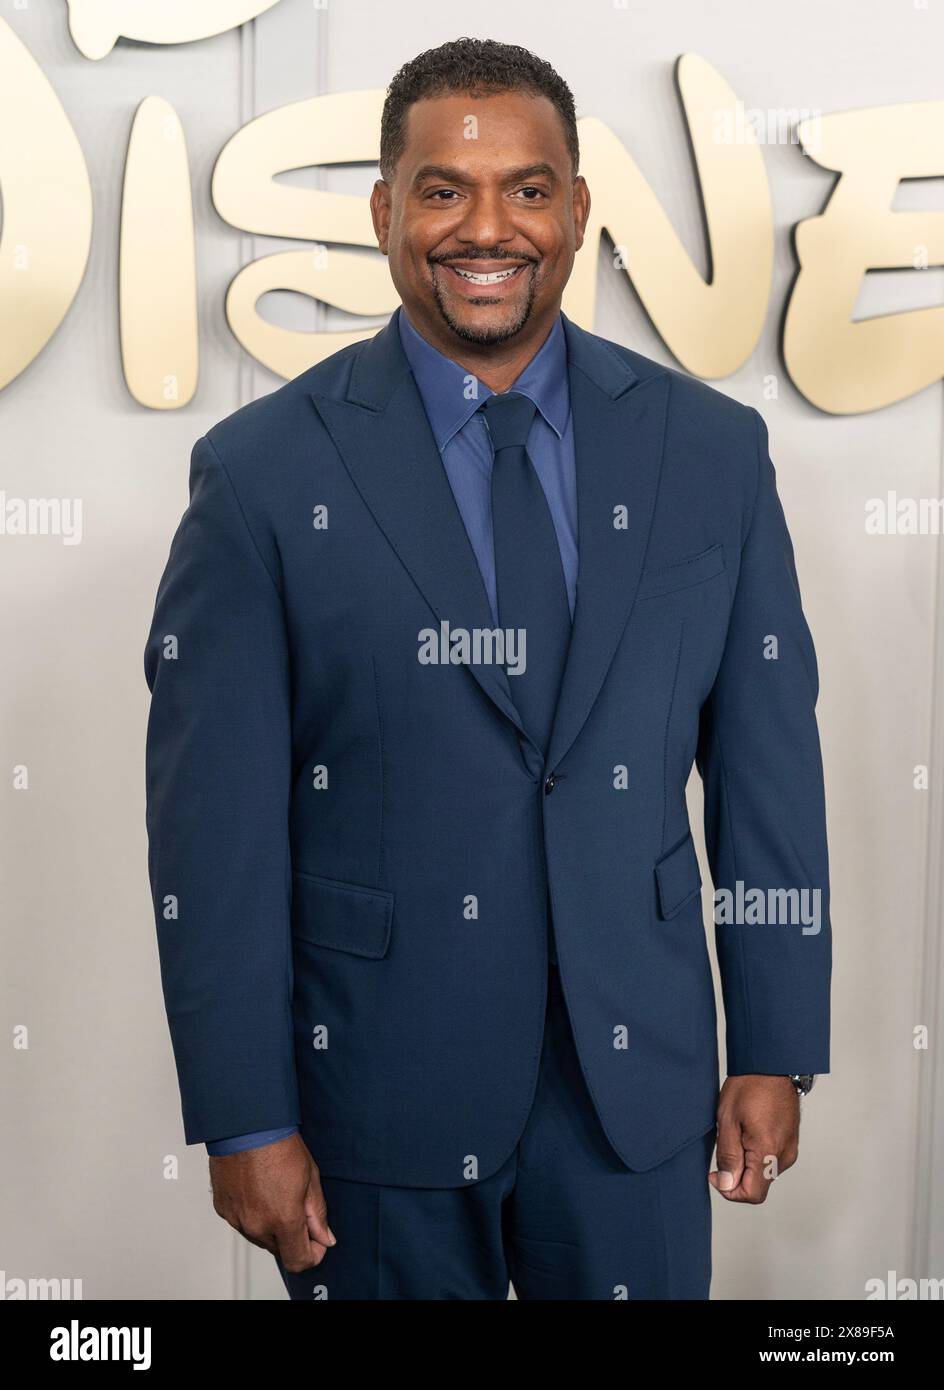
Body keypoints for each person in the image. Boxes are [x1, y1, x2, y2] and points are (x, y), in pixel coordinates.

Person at [143, 37, 830, 1301]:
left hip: (636, 1091)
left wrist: (775, 1041)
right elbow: (213, 836)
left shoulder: (710, 453)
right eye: (442, 189)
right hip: (372, 1100)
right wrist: (242, 1115)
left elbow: (765, 772)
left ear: (574, 211)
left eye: (525, 188)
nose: (485, 226)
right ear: (384, 210)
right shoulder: (261, 477)